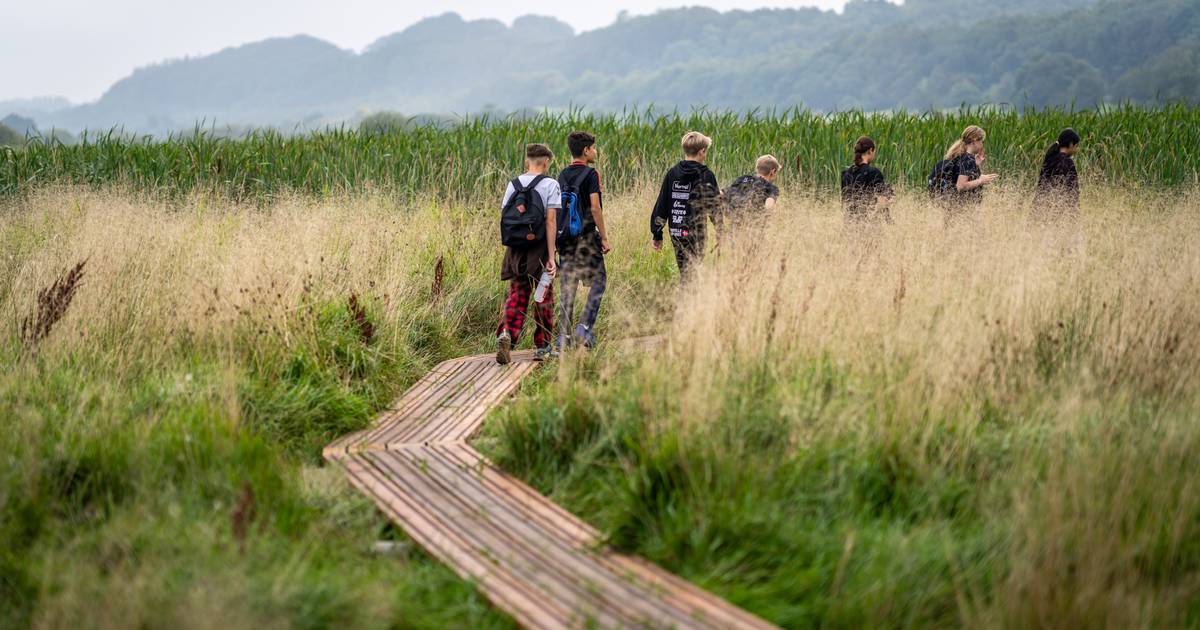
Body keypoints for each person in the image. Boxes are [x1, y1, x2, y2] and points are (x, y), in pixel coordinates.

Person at [495, 143, 559, 365]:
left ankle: (506, 335)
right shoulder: (551, 184)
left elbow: (505, 218)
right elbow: (550, 221)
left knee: (516, 296)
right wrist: (551, 257)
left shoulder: (512, 185)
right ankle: (543, 346)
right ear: (547, 162)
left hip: (515, 251)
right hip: (539, 250)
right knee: (543, 297)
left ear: (527, 161)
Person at [556, 131, 610, 349]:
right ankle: (584, 328)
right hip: (587, 238)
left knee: (568, 287)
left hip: (565, 239)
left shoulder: (562, 174)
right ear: (586, 151)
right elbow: (595, 207)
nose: (595, 152)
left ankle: (563, 337)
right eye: (594, 148)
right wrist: (604, 237)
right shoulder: (591, 174)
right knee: (599, 281)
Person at [650, 131, 721, 281]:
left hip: (676, 231)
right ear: (702, 151)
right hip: (697, 233)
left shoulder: (672, 173)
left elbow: (662, 205)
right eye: (706, 151)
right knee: (694, 273)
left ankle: (687, 301)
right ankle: (689, 302)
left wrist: (657, 233)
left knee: (685, 272)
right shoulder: (707, 175)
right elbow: (714, 207)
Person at [942, 125, 999, 224]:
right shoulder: (967, 159)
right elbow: (961, 186)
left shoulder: (961, 157)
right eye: (982, 141)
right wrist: (981, 180)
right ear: (974, 141)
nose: (982, 144)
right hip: (964, 212)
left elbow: (962, 177)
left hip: (955, 210)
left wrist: (976, 166)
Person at [718, 154, 781, 234]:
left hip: (734, 227)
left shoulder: (743, 178)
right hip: (753, 230)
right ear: (773, 171)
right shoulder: (771, 188)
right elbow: (768, 206)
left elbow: (720, 194)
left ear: (757, 168)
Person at [840, 136, 893, 223]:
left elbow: (845, 202)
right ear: (870, 150)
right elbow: (882, 202)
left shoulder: (845, 174)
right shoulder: (873, 172)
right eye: (874, 152)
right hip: (868, 226)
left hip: (848, 225)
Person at [1032, 128, 1082, 221]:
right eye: (1076, 146)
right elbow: (1071, 191)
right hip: (1060, 215)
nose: (1076, 149)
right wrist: (1074, 215)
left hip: (1041, 210)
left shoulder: (1049, 159)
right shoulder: (1067, 162)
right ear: (1071, 144)